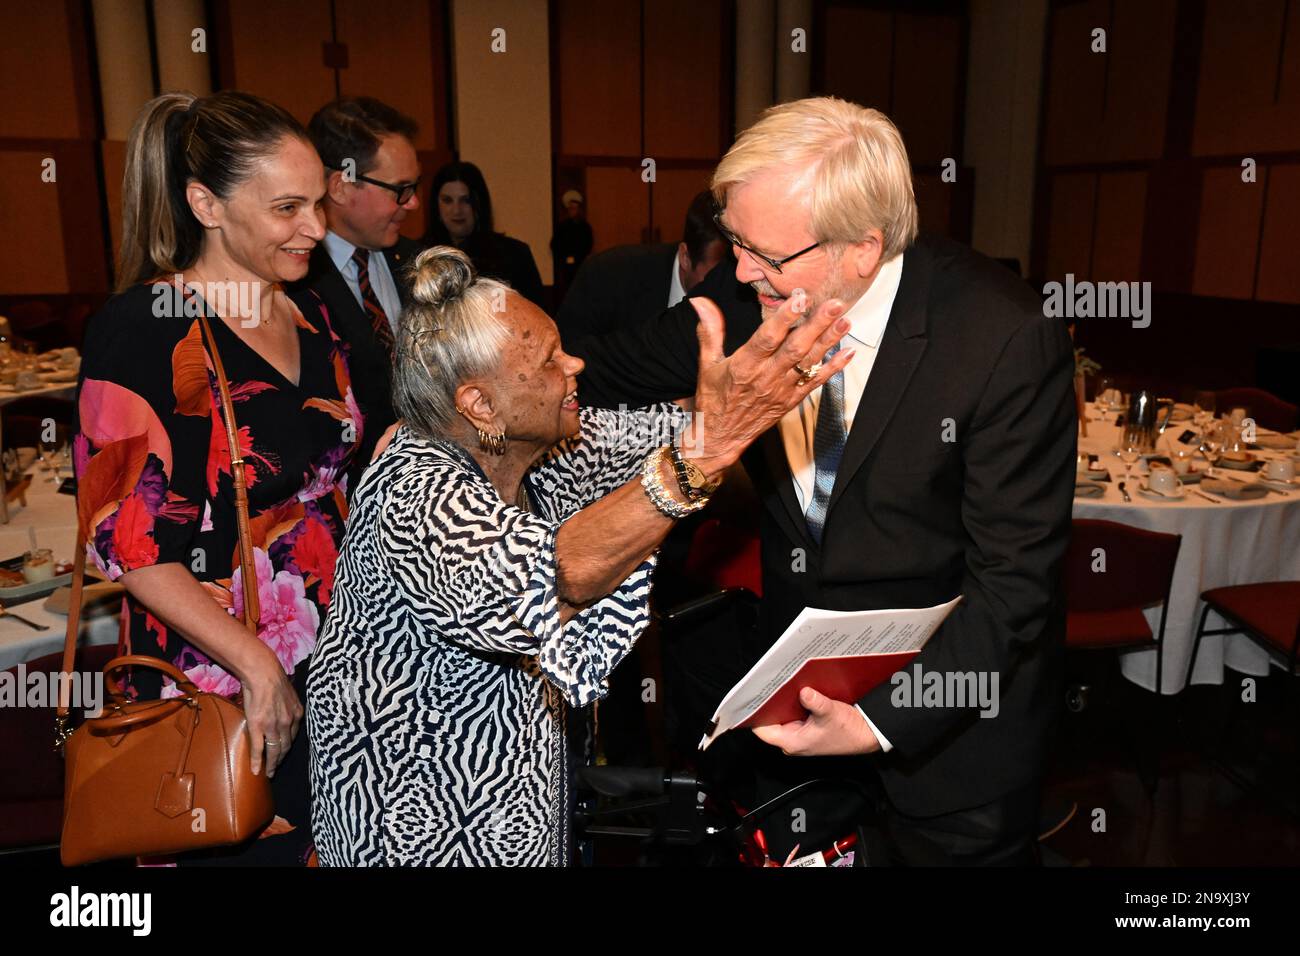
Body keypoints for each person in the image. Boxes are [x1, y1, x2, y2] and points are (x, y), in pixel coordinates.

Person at [569, 97, 1077, 865]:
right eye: (735, 241)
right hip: (794, 718)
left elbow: (1016, 588)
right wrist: (463, 404)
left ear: (863, 250)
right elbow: (589, 373)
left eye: (764, 254)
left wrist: (879, 722)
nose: (740, 272)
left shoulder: (1000, 337)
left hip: (950, 738)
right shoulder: (746, 303)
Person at [307, 246, 853, 865]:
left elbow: (669, 437)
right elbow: (539, 585)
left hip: (528, 822)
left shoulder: (549, 447)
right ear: (479, 405)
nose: (577, 364)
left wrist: (712, 420)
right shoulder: (411, 486)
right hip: (414, 833)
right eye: (548, 361)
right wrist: (701, 457)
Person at [74, 90, 363, 865]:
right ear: (205, 203)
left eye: (320, 204)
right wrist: (256, 661)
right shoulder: (140, 331)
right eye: (287, 208)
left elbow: (339, 470)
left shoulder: (310, 312)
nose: (316, 228)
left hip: (335, 663)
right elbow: (126, 544)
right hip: (218, 678)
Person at [292, 96, 423, 483]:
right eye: (400, 189)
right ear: (341, 186)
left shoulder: (418, 262)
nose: (413, 203)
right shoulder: (292, 285)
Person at [556, 190, 728, 345]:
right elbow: (570, 351)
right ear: (685, 257)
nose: (726, 284)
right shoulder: (607, 275)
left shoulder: (742, 293)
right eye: (716, 274)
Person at [422, 161, 545, 306]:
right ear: (436, 206)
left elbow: (537, 319)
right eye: (447, 200)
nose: (456, 210)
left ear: (479, 204)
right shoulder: (420, 257)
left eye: (466, 200)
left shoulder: (515, 255)